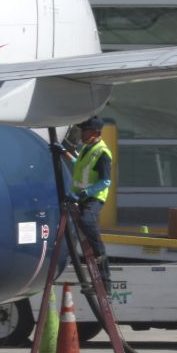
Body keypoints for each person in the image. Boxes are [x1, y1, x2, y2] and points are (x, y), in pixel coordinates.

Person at [60, 116, 113, 287]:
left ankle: (101, 260)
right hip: (81, 196)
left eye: (85, 131)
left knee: (86, 221)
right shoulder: (86, 148)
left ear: (95, 133)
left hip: (94, 198)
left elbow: (105, 181)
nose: (81, 135)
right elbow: (79, 164)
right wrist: (63, 153)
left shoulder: (102, 153)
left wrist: (83, 194)